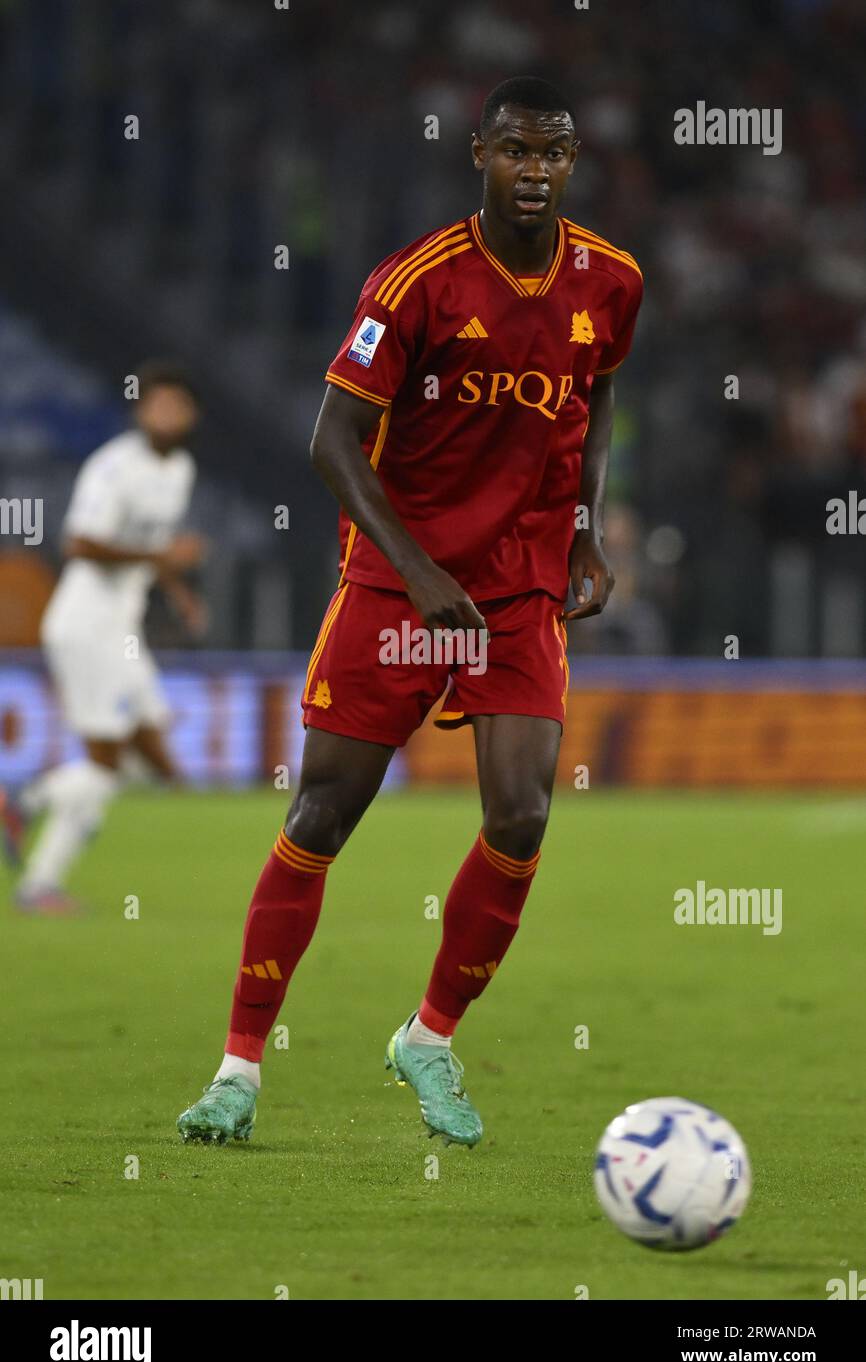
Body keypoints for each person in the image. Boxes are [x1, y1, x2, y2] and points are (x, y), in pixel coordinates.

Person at [177, 75, 642, 1147]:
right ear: (479, 154)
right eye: (515, 150)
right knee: (322, 815)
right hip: (399, 583)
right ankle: (238, 1072)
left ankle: (428, 1037)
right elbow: (331, 442)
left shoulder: (610, 280)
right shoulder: (417, 281)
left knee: (521, 815)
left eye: (553, 153)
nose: (534, 171)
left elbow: (598, 392)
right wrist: (420, 572)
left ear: (573, 162)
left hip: (519, 581)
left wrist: (583, 528)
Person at [2, 362, 206, 913]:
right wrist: (162, 557)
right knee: (104, 766)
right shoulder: (113, 467)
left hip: (122, 629)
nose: (166, 415)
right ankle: (36, 862)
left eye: (177, 406)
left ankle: (33, 802)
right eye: (157, 404)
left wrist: (177, 590)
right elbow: (80, 542)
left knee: (151, 754)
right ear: (140, 410)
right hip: (87, 627)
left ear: (192, 415)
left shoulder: (180, 469)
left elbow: (153, 547)